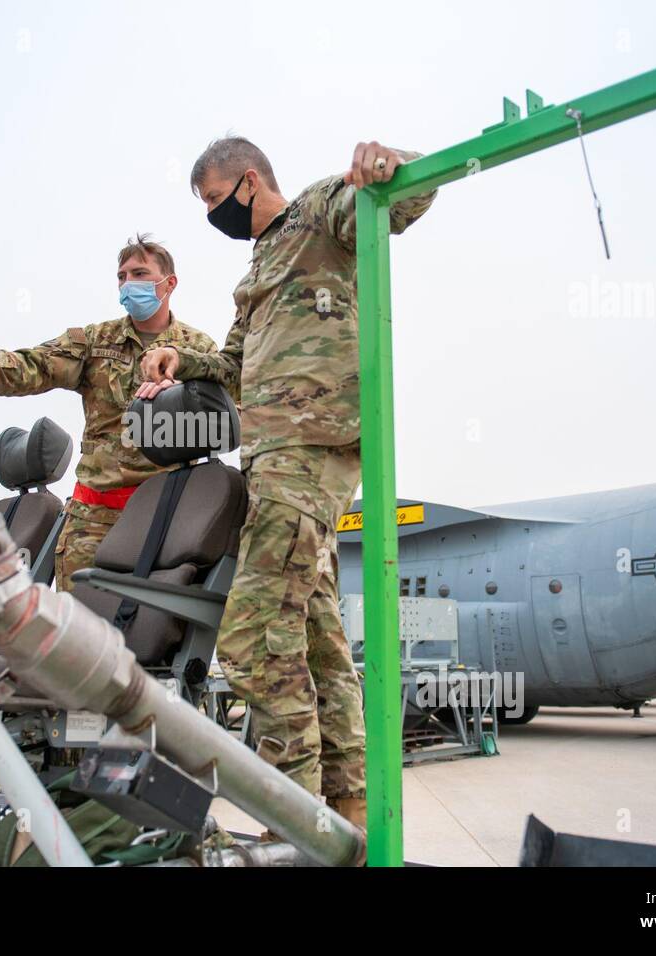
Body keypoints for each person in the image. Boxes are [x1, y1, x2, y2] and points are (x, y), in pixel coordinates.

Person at [137, 138, 437, 830]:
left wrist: (388, 162)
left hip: (312, 451)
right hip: (271, 461)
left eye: (215, 199)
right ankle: (351, 808)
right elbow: (234, 361)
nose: (212, 214)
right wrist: (181, 358)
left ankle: (295, 820)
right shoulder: (259, 265)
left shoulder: (317, 210)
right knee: (316, 637)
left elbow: (406, 195)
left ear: (249, 180)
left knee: (251, 638)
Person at [0, 235, 217, 591]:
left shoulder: (197, 349)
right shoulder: (96, 340)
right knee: (76, 617)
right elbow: (34, 365)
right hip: (94, 518)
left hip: (165, 514)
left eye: (140, 274)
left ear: (169, 283)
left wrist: (180, 396)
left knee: (153, 618)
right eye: (122, 276)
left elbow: (226, 410)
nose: (128, 283)